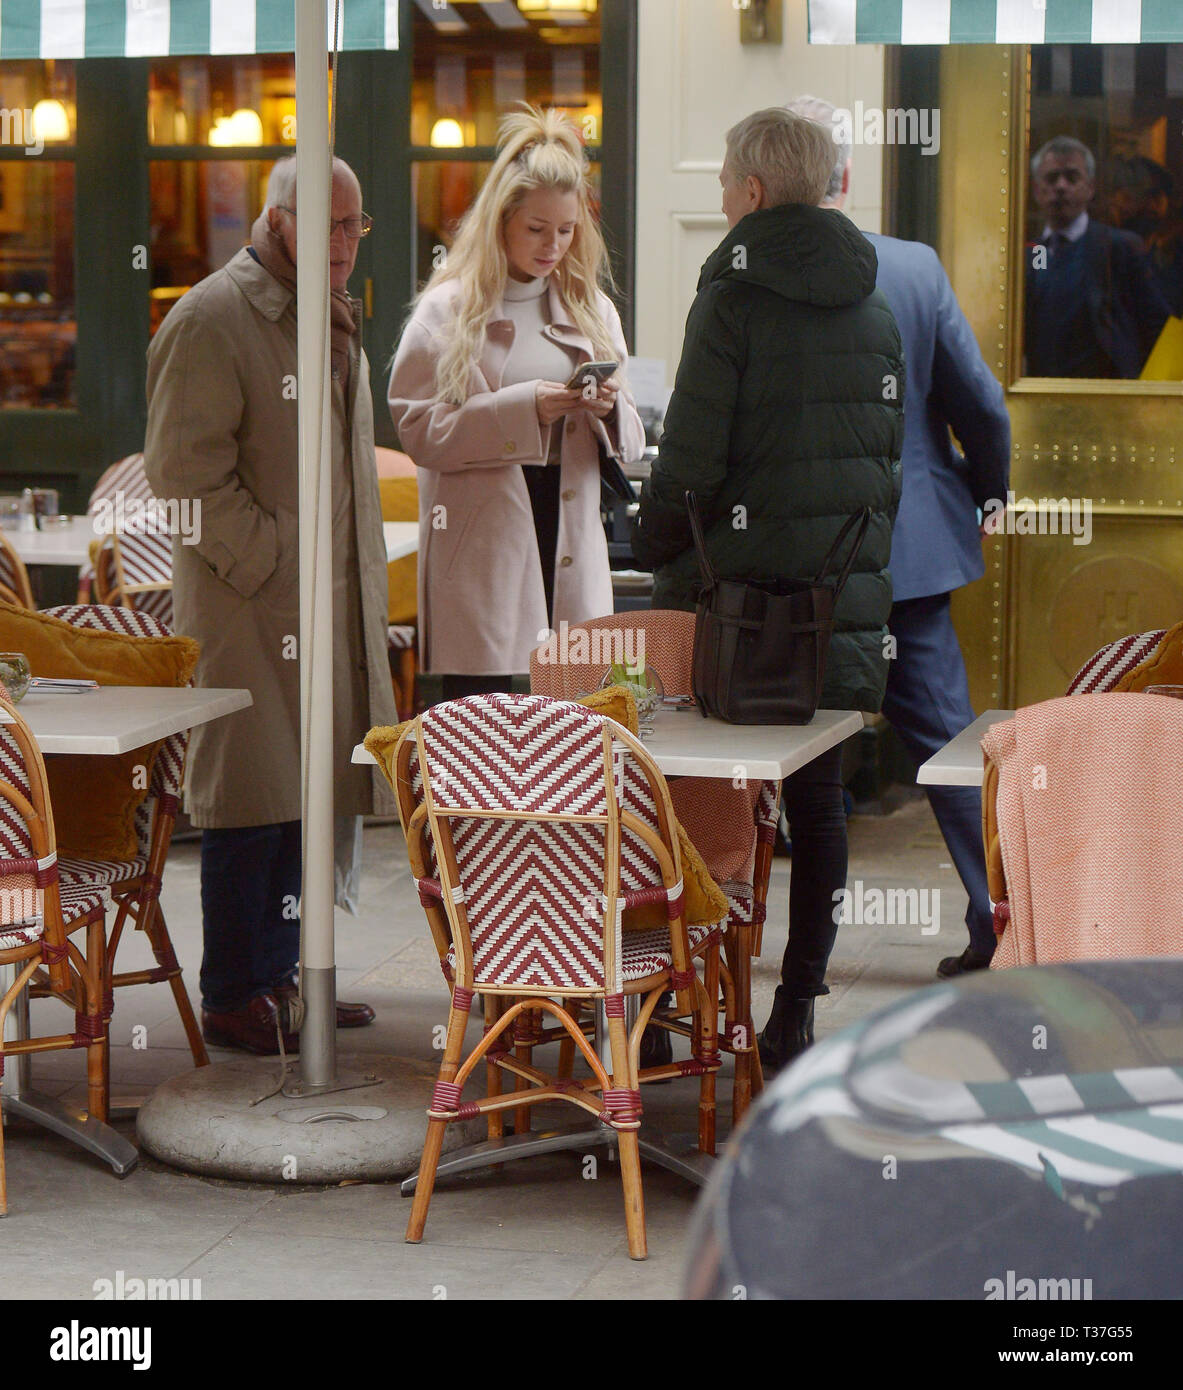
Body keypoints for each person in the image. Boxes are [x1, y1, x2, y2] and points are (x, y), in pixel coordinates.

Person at [631, 108, 904, 1070]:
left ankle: (679, 1003)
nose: (717, 203)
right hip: (833, 606)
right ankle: (793, 1007)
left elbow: (692, 462)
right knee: (819, 802)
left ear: (749, 191)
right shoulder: (872, 300)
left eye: (720, 188)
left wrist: (651, 532)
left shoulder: (732, 296)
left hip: (734, 610)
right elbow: (884, 465)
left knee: (696, 794)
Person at [145, 155, 396, 1054]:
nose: (344, 243)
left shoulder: (320, 311)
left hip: (319, 604)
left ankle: (285, 977)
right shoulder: (215, 315)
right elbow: (178, 479)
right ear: (277, 218)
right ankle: (231, 993)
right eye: (329, 224)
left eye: (354, 226)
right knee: (251, 799)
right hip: (247, 606)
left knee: (309, 793)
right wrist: (279, 559)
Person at [790, 95, 1012, 978]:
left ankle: (772, 958)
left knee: (795, 755)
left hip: (795, 570)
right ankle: (1001, 922)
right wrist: (986, 494)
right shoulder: (913, 268)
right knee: (953, 749)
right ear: (847, 178)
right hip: (910, 554)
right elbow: (981, 405)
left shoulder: (742, 275)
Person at [388, 105, 645, 694]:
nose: (553, 245)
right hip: (483, 544)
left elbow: (629, 439)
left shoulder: (592, 307)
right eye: (536, 229)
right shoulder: (447, 310)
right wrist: (525, 408)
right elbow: (417, 431)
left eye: (566, 229)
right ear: (501, 219)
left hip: (569, 525)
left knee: (570, 721)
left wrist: (606, 407)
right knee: (483, 729)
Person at [1024, 136, 1170, 378]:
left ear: (1090, 187)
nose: (1061, 186)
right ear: (1037, 190)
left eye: (1072, 177)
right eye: (1051, 178)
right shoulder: (1031, 253)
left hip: (1106, 398)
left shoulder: (1120, 247)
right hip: (1042, 395)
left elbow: (1157, 325)